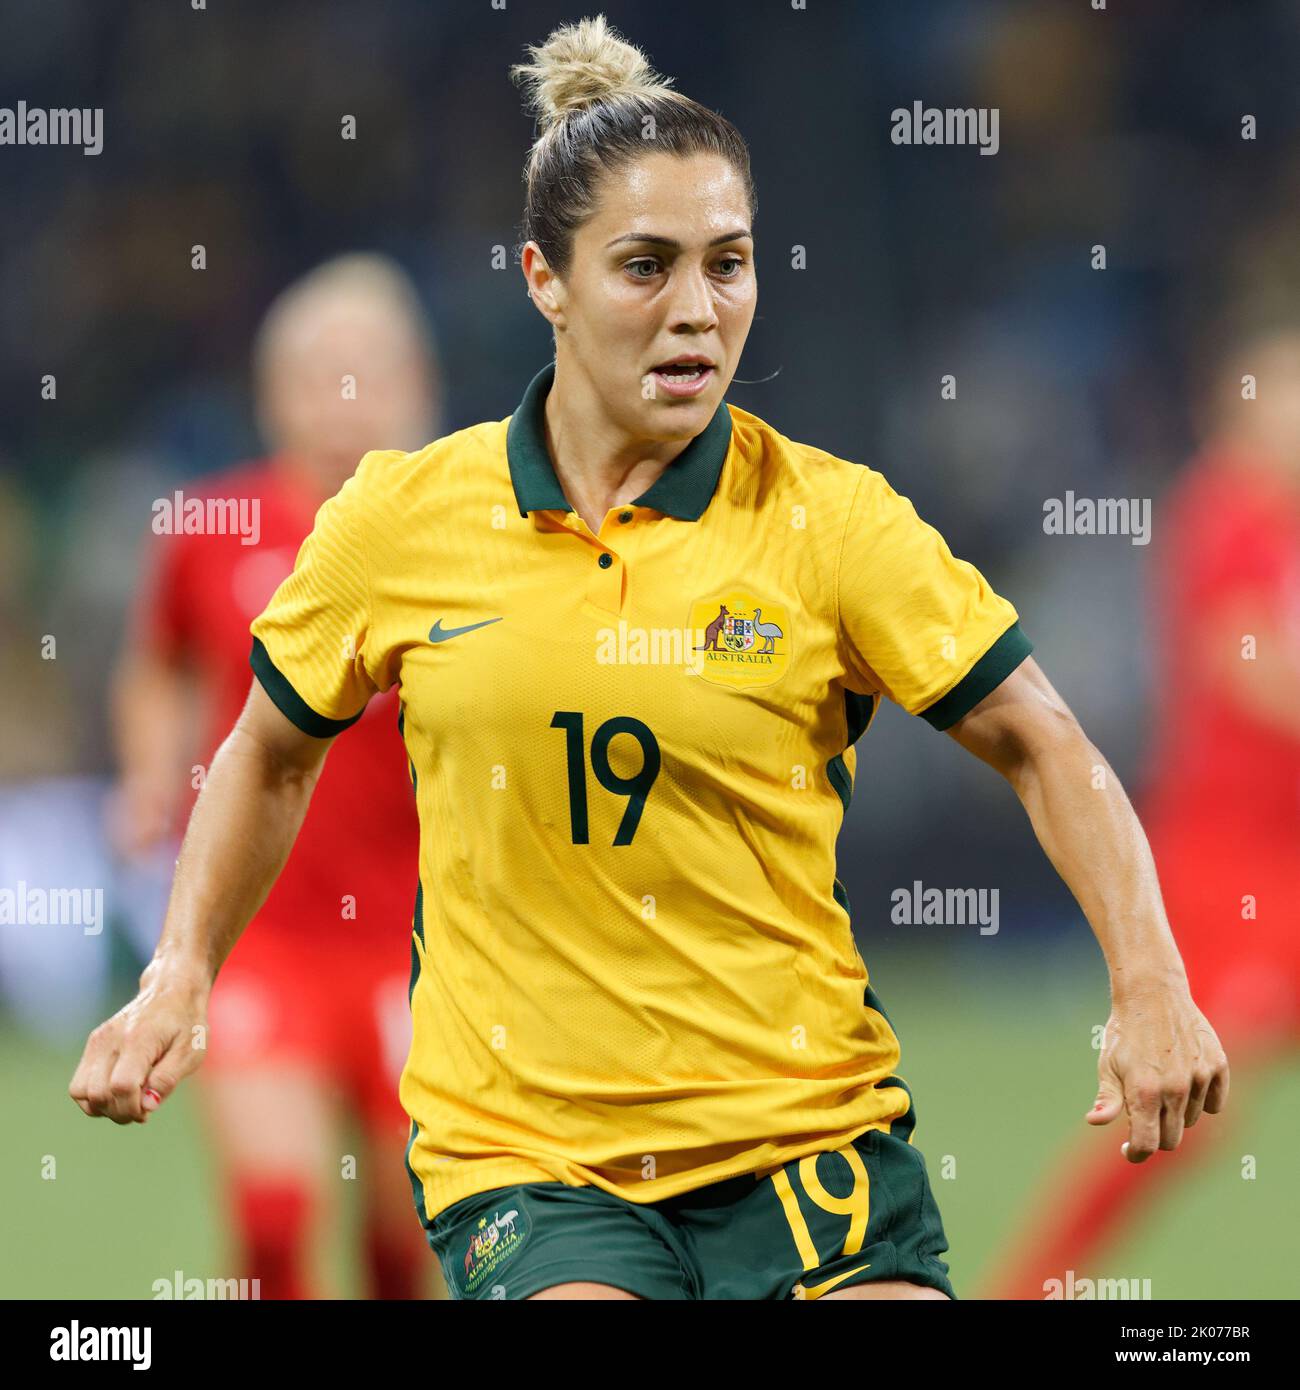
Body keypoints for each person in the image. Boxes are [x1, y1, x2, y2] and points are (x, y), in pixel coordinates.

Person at [71, 15, 1228, 1302]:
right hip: (535, 1159)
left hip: (807, 1144)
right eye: (644, 266)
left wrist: (1149, 981)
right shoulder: (403, 520)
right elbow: (266, 754)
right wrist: (179, 975)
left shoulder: (830, 520)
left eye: (726, 264)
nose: (697, 310)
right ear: (541, 280)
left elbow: (1039, 737)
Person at [108, 254, 441, 1298]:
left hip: (425, 941)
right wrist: (147, 770)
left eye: (369, 374)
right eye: (317, 374)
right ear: (270, 393)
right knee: (273, 1214)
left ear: (418, 389)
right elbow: (156, 662)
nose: (344, 401)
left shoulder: (462, 538)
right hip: (256, 936)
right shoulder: (212, 527)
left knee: (407, 1239)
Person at [979, 327, 1300, 1300]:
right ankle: (1033, 1286)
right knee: (1179, 1108)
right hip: (1231, 860)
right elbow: (1244, 663)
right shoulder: (1228, 512)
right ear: (1239, 408)